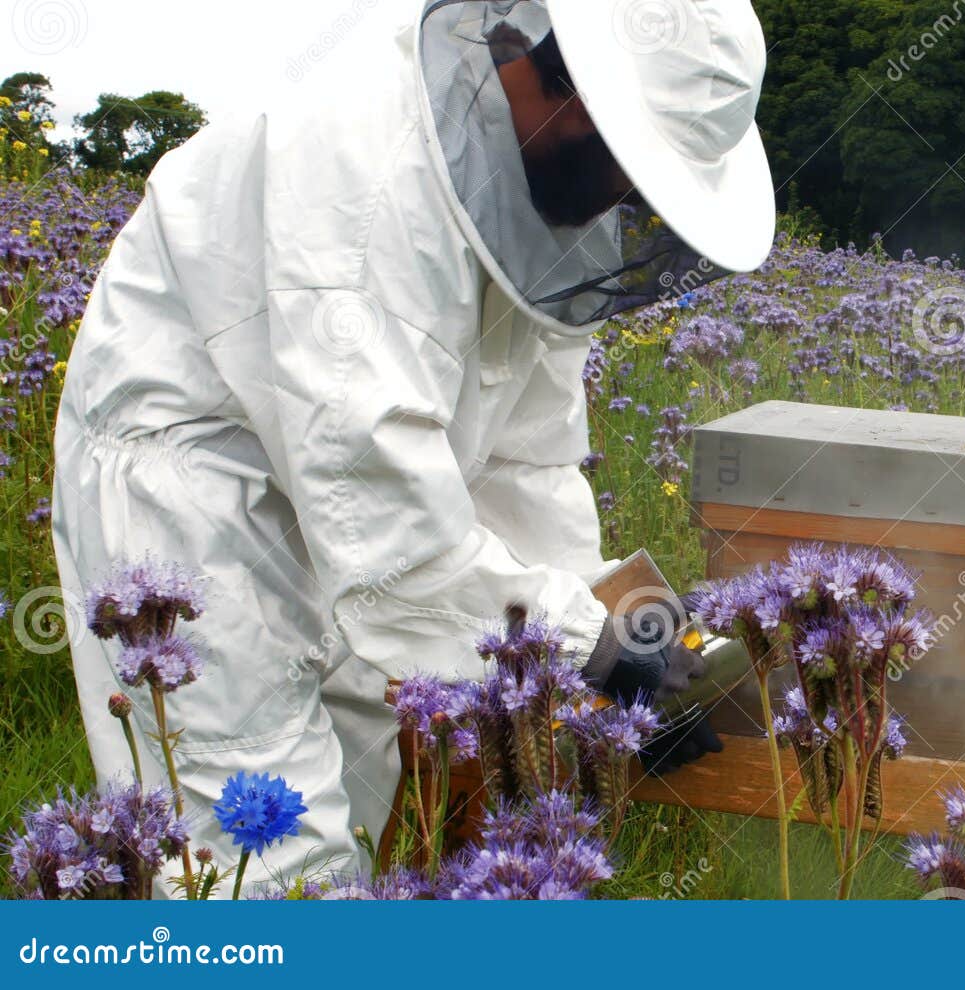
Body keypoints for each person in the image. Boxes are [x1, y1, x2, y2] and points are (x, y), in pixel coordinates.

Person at [51, 0, 773, 894]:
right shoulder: (361, 171)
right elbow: (383, 517)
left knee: (372, 794)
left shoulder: (531, 196)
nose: (626, 202)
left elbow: (527, 466)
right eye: (634, 172)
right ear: (579, 98)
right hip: (197, 489)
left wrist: (615, 631)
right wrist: (594, 645)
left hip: (341, 495)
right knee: (263, 851)